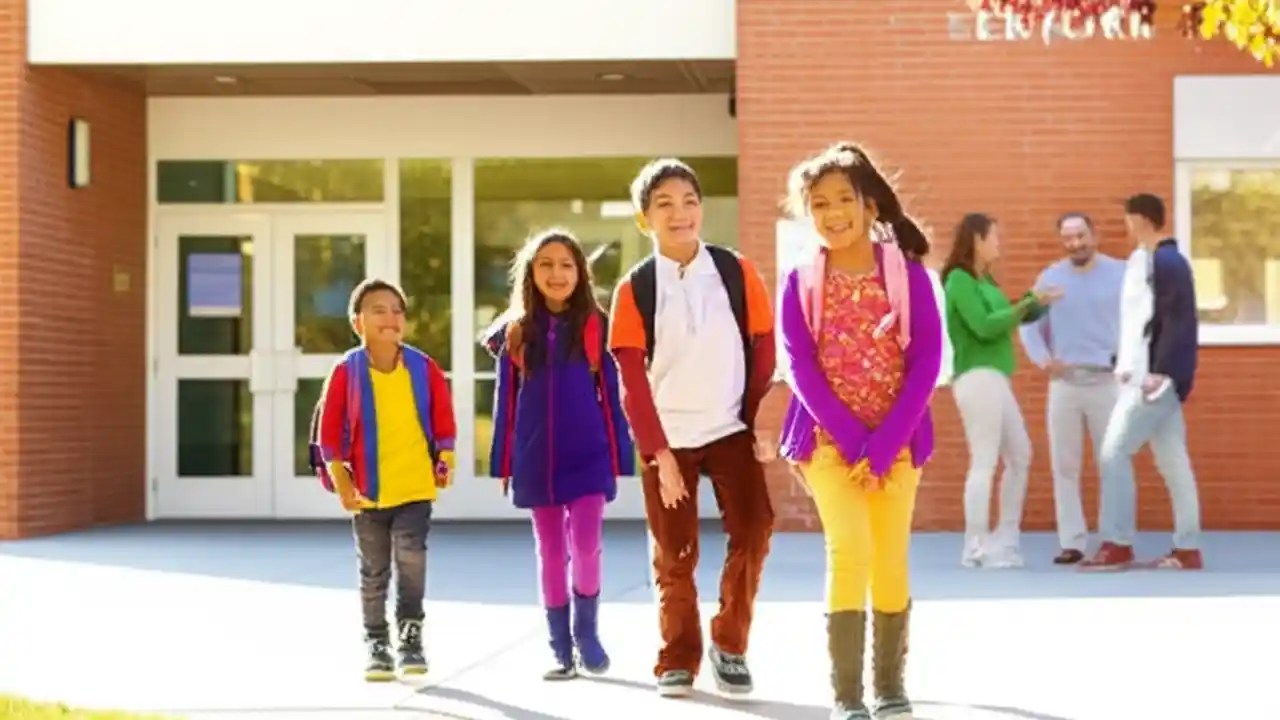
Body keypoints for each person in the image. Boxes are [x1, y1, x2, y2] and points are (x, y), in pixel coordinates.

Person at [777, 142, 942, 720]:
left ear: (870, 206)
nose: (832, 213)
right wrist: (853, 443)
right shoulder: (799, 282)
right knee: (850, 551)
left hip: (897, 444)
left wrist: (885, 445)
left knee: (890, 557)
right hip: (828, 444)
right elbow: (799, 368)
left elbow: (926, 363)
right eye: (819, 203)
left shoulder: (908, 276)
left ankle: (890, 686)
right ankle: (848, 697)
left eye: (844, 199)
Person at [608, 158, 777, 698]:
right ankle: (677, 656)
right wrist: (658, 456)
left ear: (701, 208)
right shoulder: (634, 289)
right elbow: (632, 381)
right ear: (644, 220)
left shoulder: (735, 271)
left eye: (689, 201)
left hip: (730, 428)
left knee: (754, 532)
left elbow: (765, 347)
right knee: (675, 555)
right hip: (669, 439)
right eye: (664, 205)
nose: (680, 213)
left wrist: (756, 421)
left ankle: (731, 643)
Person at [480, 229, 635, 680]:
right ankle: (559, 648)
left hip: (588, 454)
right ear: (530, 272)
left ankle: (587, 634)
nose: (557, 273)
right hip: (536, 458)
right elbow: (505, 401)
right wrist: (503, 461)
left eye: (566, 264)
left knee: (586, 547)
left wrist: (619, 456)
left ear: (580, 273)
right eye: (546, 264)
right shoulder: (514, 333)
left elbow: (611, 392)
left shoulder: (594, 326)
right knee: (550, 553)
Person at [316, 278, 457, 681]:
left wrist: (444, 458)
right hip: (367, 493)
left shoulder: (422, 367)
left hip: (414, 486)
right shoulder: (347, 371)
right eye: (379, 310)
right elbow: (330, 436)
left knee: (411, 557)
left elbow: (444, 420)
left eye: (398, 310)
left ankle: (410, 638)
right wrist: (342, 484)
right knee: (374, 570)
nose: (391, 317)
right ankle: (377, 642)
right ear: (358, 322)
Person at [1081, 194, 1203, 571]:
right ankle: (1188, 549)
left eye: (1129, 218)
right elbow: (1140, 321)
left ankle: (1117, 543)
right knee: (1172, 460)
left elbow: (1179, 321)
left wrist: (1163, 374)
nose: (1126, 224)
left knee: (1114, 452)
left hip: (1154, 382)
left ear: (1142, 219)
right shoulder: (1145, 260)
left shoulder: (1166, 261)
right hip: (1143, 378)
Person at [942, 214, 1060, 569]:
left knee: (1020, 454)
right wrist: (1024, 304)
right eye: (994, 237)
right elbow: (984, 326)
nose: (999, 244)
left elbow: (1005, 315)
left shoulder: (986, 281)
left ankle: (1005, 538)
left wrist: (1034, 303)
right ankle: (974, 546)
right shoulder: (959, 280)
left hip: (996, 377)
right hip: (976, 377)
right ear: (976, 240)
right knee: (984, 460)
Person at [1018, 213, 1126, 564]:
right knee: (1064, 465)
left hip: (1107, 380)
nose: (1075, 244)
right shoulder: (1050, 278)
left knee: (1111, 461)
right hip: (1064, 383)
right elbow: (1027, 323)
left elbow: (1142, 320)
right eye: (1068, 238)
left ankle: (1115, 538)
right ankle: (1073, 542)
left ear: (1095, 234)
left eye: (1081, 235)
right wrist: (1043, 359)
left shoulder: (1121, 274)